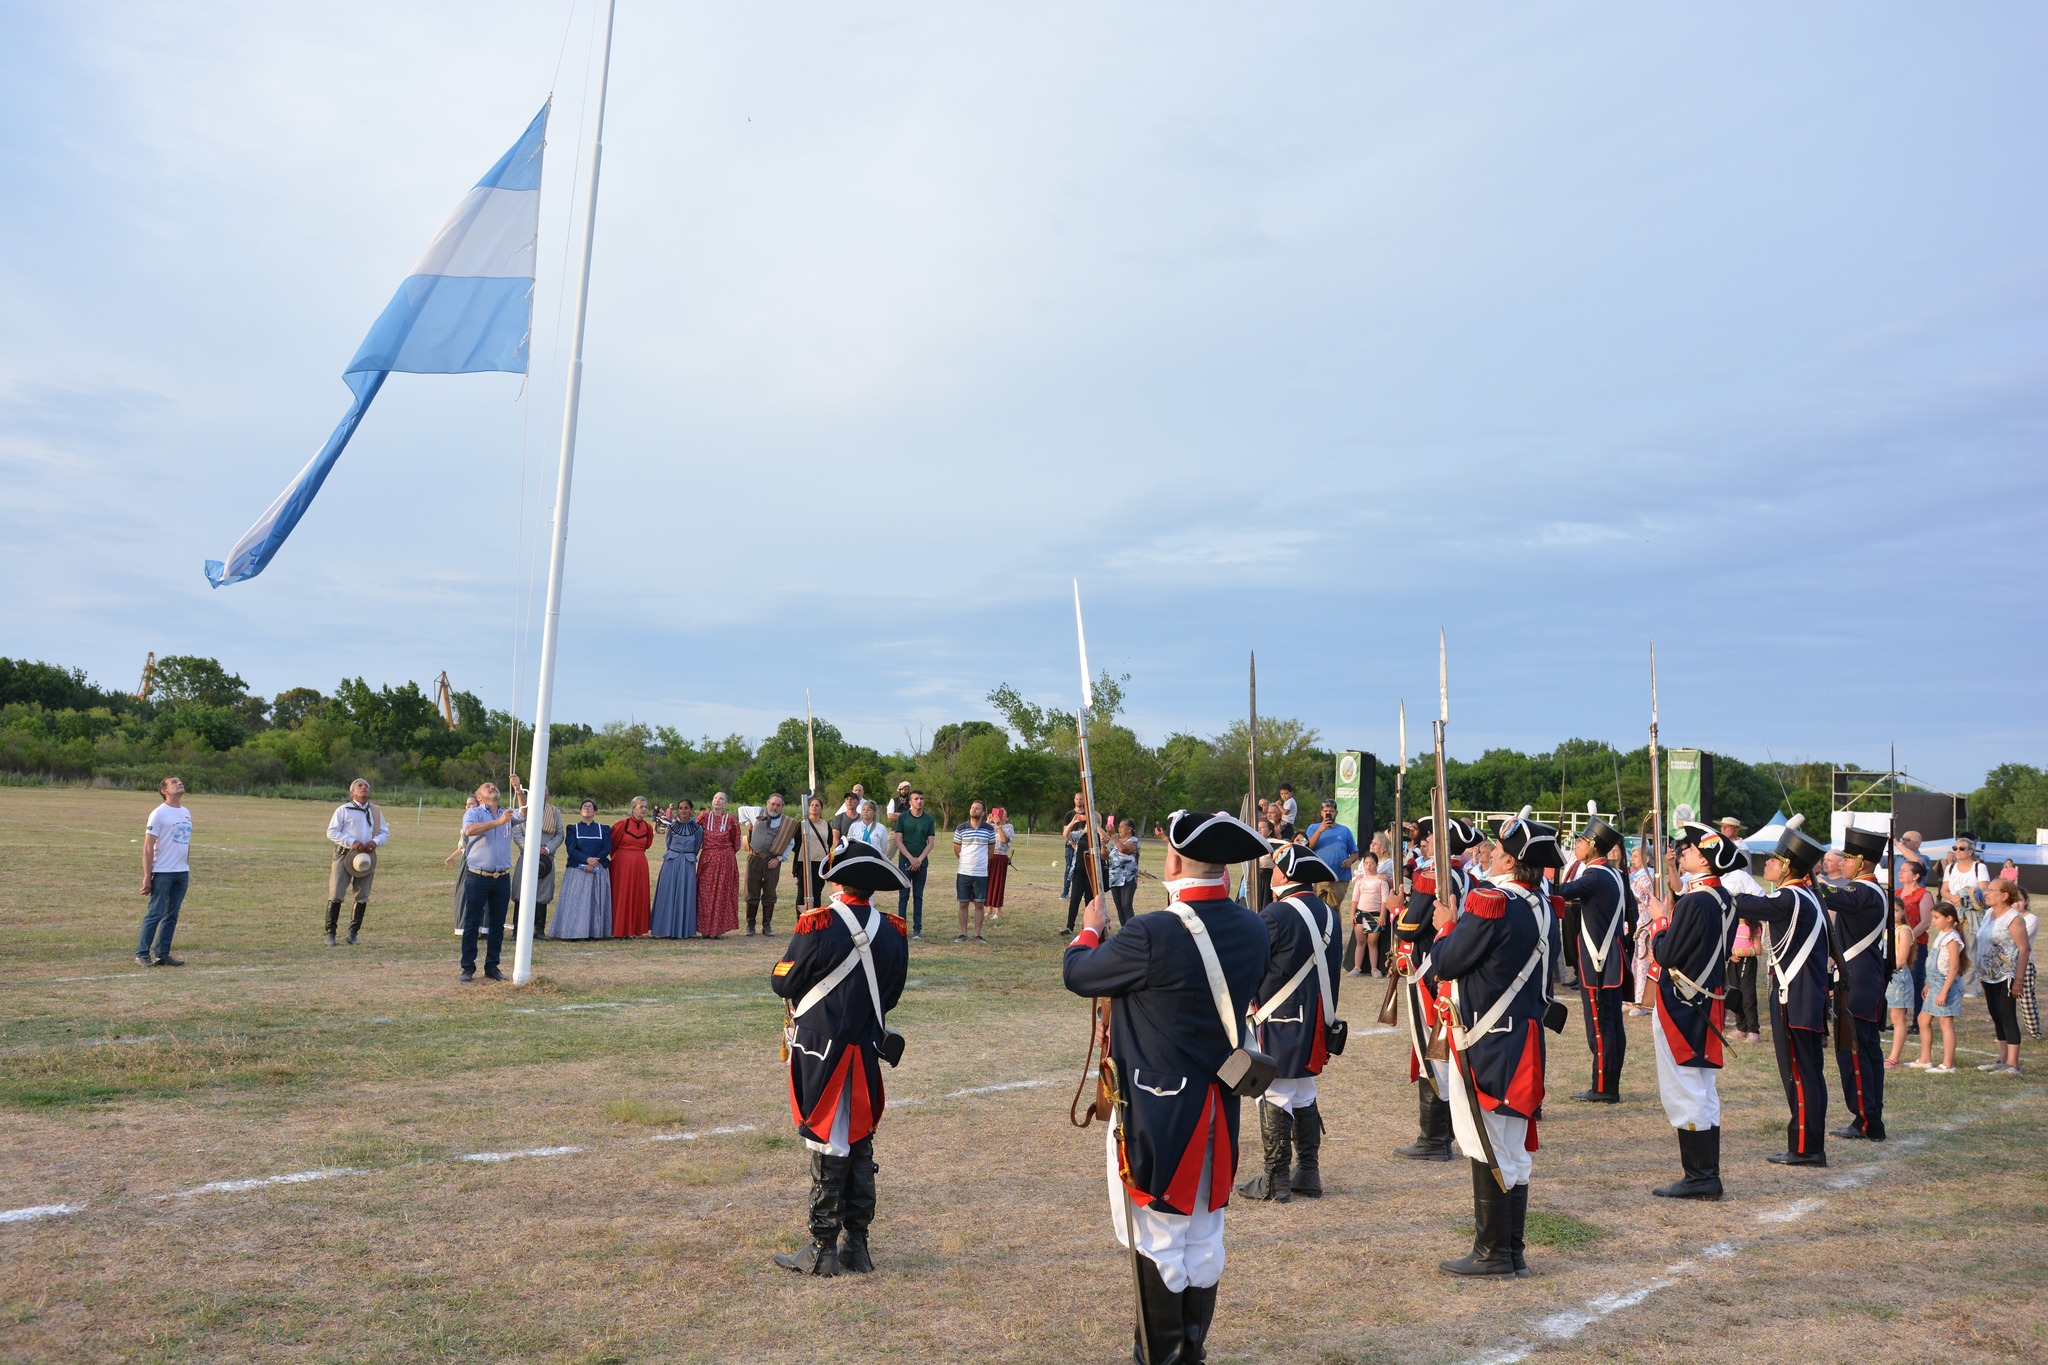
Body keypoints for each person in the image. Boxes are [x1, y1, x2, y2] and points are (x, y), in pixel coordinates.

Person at [1063, 809, 1270, 1363]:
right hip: (1218, 1109)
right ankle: (1190, 1354)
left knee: (1156, 1239)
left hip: (1157, 1115)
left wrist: (1089, 928)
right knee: (1203, 1236)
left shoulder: (1152, 932)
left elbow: (1079, 973)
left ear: (1175, 861)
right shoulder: (1254, 927)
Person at [1431, 808, 1562, 1278]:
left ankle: (1493, 1253)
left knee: (1483, 1140)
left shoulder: (1492, 901)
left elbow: (1446, 963)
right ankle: (1511, 1250)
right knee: (1510, 1146)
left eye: (1497, 851)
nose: (1488, 856)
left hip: (1485, 1040)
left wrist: (1447, 924)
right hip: (1520, 1035)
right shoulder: (1542, 903)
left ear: (1510, 862)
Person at [769, 842, 910, 1276]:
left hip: (821, 1048)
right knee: (858, 1138)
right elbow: (892, 995)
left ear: (838, 878)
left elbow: (783, 981)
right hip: (864, 1047)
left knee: (828, 1138)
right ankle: (857, 1246)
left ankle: (822, 1249)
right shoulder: (893, 929)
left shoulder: (818, 923)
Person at [1239, 843, 1343, 1203]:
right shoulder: (1330, 913)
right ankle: (1308, 1173)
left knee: (1275, 1092)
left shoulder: (1275, 915)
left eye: (1274, 869)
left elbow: (1251, 966)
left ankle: (1276, 1178)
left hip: (1279, 1017)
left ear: (1283, 874)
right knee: (1303, 1091)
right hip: (1316, 1019)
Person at [1647, 821, 1744, 1200]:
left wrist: (1659, 923)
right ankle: (1705, 1173)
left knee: (1685, 1088)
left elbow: (1668, 953)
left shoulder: (1695, 900)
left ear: (1704, 858)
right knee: (1702, 1087)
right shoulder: (1723, 899)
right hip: (1706, 1000)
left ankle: (1700, 1176)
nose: (1682, 853)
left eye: (1688, 849)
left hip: (1682, 1003)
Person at [1732, 814, 1834, 1166]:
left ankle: (1806, 1147)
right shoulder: (1803, 897)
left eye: (1774, 860)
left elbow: (1747, 904)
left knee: (1800, 1073)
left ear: (1788, 867)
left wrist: (1713, 885)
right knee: (1806, 1072)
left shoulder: (1791, 899)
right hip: (1803, 995)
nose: (1768, 864)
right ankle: (1808, 1143)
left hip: (1797, 997)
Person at [1390, 814, 1481, 1163]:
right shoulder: (1467, 877)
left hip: (1429, 971)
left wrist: (1396, 907)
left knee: (1432, 1050)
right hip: (1446, 968)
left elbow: (1409, 927)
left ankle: (1435, 1137)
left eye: (1429, 837)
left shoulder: (1432, 878)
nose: (1423, 841)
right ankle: (1440, 1134)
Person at [1814, 826, 1892, 1141]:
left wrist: (1809, 874)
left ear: (1861, 862)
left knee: (1855, 1052)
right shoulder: (1867, 890)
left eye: (1847, 858)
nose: (1842, 864)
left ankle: (1865, 1119)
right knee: (1866, 1050)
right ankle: (1870, 1116)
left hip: (1858, 981)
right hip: (1863, 977)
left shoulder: (1865, 891)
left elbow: (1828, 894)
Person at [1554, 814, 1636, 1103]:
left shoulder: (1594, 876)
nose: (1577, 845)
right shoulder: (1616, 874)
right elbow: (1633, 916)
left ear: (1592, 847)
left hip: (1598, 959)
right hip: (1613, 954)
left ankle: (1603, 1088)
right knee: (1612, 1023)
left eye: (1581, 841)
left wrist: (1552, 864)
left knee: (1600, 1027)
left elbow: (1558, 893)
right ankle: (1609, 1083)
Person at [458, 781, 518, 981]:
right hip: (478, 876)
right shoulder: (474, 812)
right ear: (480, 797)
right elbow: (470, 830)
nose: (491, 787)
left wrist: (518, 790)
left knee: (497, 924)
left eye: (493, 785)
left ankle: (492, 966)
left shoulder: (507, 812)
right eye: (486, 786)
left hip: (501, 877)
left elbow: (526, 813)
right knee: (472, 922)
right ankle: (467, 968)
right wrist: (498, 822)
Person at [323, 777, 389, 946]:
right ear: (352, 792)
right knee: (336, 893)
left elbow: (384, 832)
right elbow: (332, 832)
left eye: (366, 786)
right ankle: (330, 933)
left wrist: (376, 842)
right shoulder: (343, 810)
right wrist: (352, 842)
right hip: (344, 855)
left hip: (366, 858)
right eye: (360, 786)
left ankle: (353, 933)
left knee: (362, 895)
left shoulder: (375, 811)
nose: (364, 788)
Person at [1976, 879, 2033, 1075]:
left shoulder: (2013, 918)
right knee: (1996, 1015)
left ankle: (2013, 1063)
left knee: (2007, 1016)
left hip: (2006, 975)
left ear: (2005, 895)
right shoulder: (1989, 914)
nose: (1986, 893)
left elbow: (2024, 949)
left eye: (1992, 890)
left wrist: (2019, 980)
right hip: (1988, 975)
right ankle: (2002, 1059)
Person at [137, 775, 192, 967]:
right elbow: (147, 846)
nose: (179, 783)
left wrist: (185, 865)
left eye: (180, 780)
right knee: (155, 913)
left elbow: (186, 843)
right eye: (174, 782)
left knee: (172, 914)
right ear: (164, 790)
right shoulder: (159, 813)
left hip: (181, 872)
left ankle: (162, 954)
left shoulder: (186, 812)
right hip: (163, 871)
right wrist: (147, 876)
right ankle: (142, 953)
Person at [1910, 903, 1968, 1073]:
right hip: (1934, 983)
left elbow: (1953, 967)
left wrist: (1944, 991)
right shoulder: (1942, 935)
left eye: (1936, 918)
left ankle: (1948, 1064)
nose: (1933, 921)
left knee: (1946, 1023)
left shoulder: (1952, 938)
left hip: (1945, 985)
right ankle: (1925, 1059)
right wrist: (1928, 983)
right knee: (1923, 1020)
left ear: (1949, 918)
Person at [507, 778, 565, 939]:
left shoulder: (555, 812)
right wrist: (532, 848)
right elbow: (517, 834)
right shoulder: (523, 811)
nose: (542, 793)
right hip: (526, 857)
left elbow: (560, 834)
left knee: (542, 894)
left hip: (546, 858)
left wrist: (547, 848)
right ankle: (517, 930)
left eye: (544, 790)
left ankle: (539, 930)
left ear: (548, 794)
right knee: (521, 892)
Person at [551, 800, 613, 940]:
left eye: (590, 806)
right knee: (577, 902)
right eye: (585, 806)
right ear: (580, 811)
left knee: (595, 901)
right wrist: (587, 860)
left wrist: (594, 861)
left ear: (595, 811)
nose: (587, 808)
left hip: (598, 869)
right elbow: (571, 849)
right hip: (579, 870)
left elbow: (607, 847)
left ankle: (595, 932)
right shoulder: (573, 828)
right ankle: (574, 932)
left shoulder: (603, 829)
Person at [743, 793, 797, 937]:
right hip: (754, 858)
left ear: (782, 807)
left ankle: (767, 926)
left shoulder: (786, 823)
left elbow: (790, 843)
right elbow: (741, 810)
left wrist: (779, 859)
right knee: (751, 892)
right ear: (767, 803)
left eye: (778, 805)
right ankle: (750, 925)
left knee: (769, 893)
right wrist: (748, 824)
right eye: (772, 804)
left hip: (772, 862)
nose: (775, 807)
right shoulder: (757, 812)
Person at [650, 799, 702, 939]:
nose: (683, 811)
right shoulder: (671, 827)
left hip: (687, 864)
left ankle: (683, 929)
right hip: (671, 863)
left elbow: (697, 847)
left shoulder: (698, 829)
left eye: (686, 808)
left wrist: (686, 857)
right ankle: (664, 929)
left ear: (691, 810)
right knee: (667, 894)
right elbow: (668, 844)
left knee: (686, 895)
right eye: (680, 808)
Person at [604, 797, 655, 938]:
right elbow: (612, 844)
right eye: (641, 806)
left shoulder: (648, 828)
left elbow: (646, 845)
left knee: (637, 894)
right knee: (621, 894)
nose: (644, 809)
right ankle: (619, 929)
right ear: (633, 808)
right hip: (622, 864)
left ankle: (634, 929)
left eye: (645, 807)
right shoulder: (621, 825)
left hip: (640, 864)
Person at [695, 792, 741, 938]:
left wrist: (724, 854)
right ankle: (704, 928)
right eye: (715, 797)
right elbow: (693, 831)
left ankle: (717, 930)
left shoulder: (731, 820)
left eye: (721, 799)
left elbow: (736, 842)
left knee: (722, 894)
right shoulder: (704, 817)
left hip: (725, 861)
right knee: (705, 894)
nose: (717, 800)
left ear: (725, 804)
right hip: (707, 859)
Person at [890, 790, 934, 940]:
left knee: (918, 896)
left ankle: (917, 930)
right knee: (903, 896)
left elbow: (931, 843)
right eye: (916, 799)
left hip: (922, 863)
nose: (919, 801)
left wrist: (919, 860)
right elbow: (898, 840)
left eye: (921, 798)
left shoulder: (929, 819)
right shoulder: (902, 818)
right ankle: (901, 928)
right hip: (905, 862)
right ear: (910, 802)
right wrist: (910, 858)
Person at [953, 800, 998, 944]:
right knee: (963, 904)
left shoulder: (989, 830)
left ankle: (977, 935)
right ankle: (963, 933)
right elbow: (957, 849)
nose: (974, 810)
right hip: (964, 871)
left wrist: (981, 862)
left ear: (983, 813)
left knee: (979, 904)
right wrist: (966, 861)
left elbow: (990, 851)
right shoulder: (961, 828)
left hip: (981, 873)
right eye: (972, 807)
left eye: (977, 808)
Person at [1347, 833, 1390, 977]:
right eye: (1366, 863)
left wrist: (1382, 915)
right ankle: (1357, 967)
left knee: (1372, 942)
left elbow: (1384, 899)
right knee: (1361, 941)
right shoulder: (1360, 880)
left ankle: (1374, 968)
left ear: (1376, 864)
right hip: (1361, 912)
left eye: (1372, 863)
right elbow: (1355, 898)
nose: (1369, 866)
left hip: (1376, 913)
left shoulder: (1382, 880)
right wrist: (1352, 914)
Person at [1304, 800, 1360, 907]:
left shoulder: (1344, 830)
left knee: (1335, 909)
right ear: (1321, 813)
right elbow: (1308, 846)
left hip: (1339, 877)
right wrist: (1320, 830)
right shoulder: (1313, 828)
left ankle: (1336, 924)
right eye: (1326, 811)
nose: (1328, 813)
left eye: (1331, 811)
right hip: (1318, 877)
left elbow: (1355, 853)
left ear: (1336, 813)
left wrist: (1350, 860)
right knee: (1318, 908)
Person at [1884, 899, 1918, 1068]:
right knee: (1891, 1016)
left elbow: (1902, 959)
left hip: (1897, 977)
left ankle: (1894, 1057)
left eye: (1896, 910)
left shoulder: (1903, 931)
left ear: (1903, 912)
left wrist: (1885, 971)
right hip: (1885, 975)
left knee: (1898, 1018)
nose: (1893, 914)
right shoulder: (1885, 930)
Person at [1062, 799, 1100, 934]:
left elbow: (1106, 839)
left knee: (1090, 901)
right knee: (1074, 900)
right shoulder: (1081, 835)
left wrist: (1097, 827)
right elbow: (1065, 835)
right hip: (1079, 871)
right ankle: (1069, 926)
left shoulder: (1099, 836)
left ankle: (1087, 927)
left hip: (1093, 873)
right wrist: (1074, 822)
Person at [793, 795, 837, 912]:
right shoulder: (801, 824)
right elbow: (795, 843)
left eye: (817, 805)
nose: (814, 807)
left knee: (816, 892)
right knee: (802, 892)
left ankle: (815, 919)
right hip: (804, 862)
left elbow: (829, 842)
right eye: (812, 805)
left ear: (821, 809)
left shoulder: (826, 825)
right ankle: (802, 920)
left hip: (820, 863)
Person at [1628, 843, 1657, 1016]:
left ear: (1646, 859)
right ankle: (1633, 997)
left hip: (1645, 923)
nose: (1632, 859)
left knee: (1643, 961)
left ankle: (1642, 1001)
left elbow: (1644, 898)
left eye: (1636, 856)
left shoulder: (1649, 875)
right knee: (1634, 961)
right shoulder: (1634, 876)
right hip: (1634, 923)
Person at [447, 793, 479, 936]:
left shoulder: (478, 820)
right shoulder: (466, 820)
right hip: (467, 858)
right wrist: (452, 857)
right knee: (463, 891)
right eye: (466, 804)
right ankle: (463, 926)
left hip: (476, 859)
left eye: (471, 804)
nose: (468, 807)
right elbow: (462, 846)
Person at [1105, 817, 1141, 926]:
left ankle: (1133, 931)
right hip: (1115, 878)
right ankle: (1124, 931)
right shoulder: (1117, 842)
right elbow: (1105, 856)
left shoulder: (1134, 841)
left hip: (1128, 878)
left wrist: (1113, 835)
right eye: (1118, 827)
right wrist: (1103, 845)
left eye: (1121, 827)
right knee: (1119, 906)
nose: (1119, 829)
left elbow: (1123, 849)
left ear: (1129, 829)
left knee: (1126, 905)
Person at [986, 806, 1016, 919]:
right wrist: (988, 823)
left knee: (998, 884)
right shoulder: (990, 826)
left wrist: (998, 826)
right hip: (989, 856)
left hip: (1000, 857)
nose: (1000, 815)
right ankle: (988, 908)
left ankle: (997, 910)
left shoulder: (1009, 827)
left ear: (1007, 818)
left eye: (1003, 813)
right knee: (988, 883)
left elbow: (1004, 840)